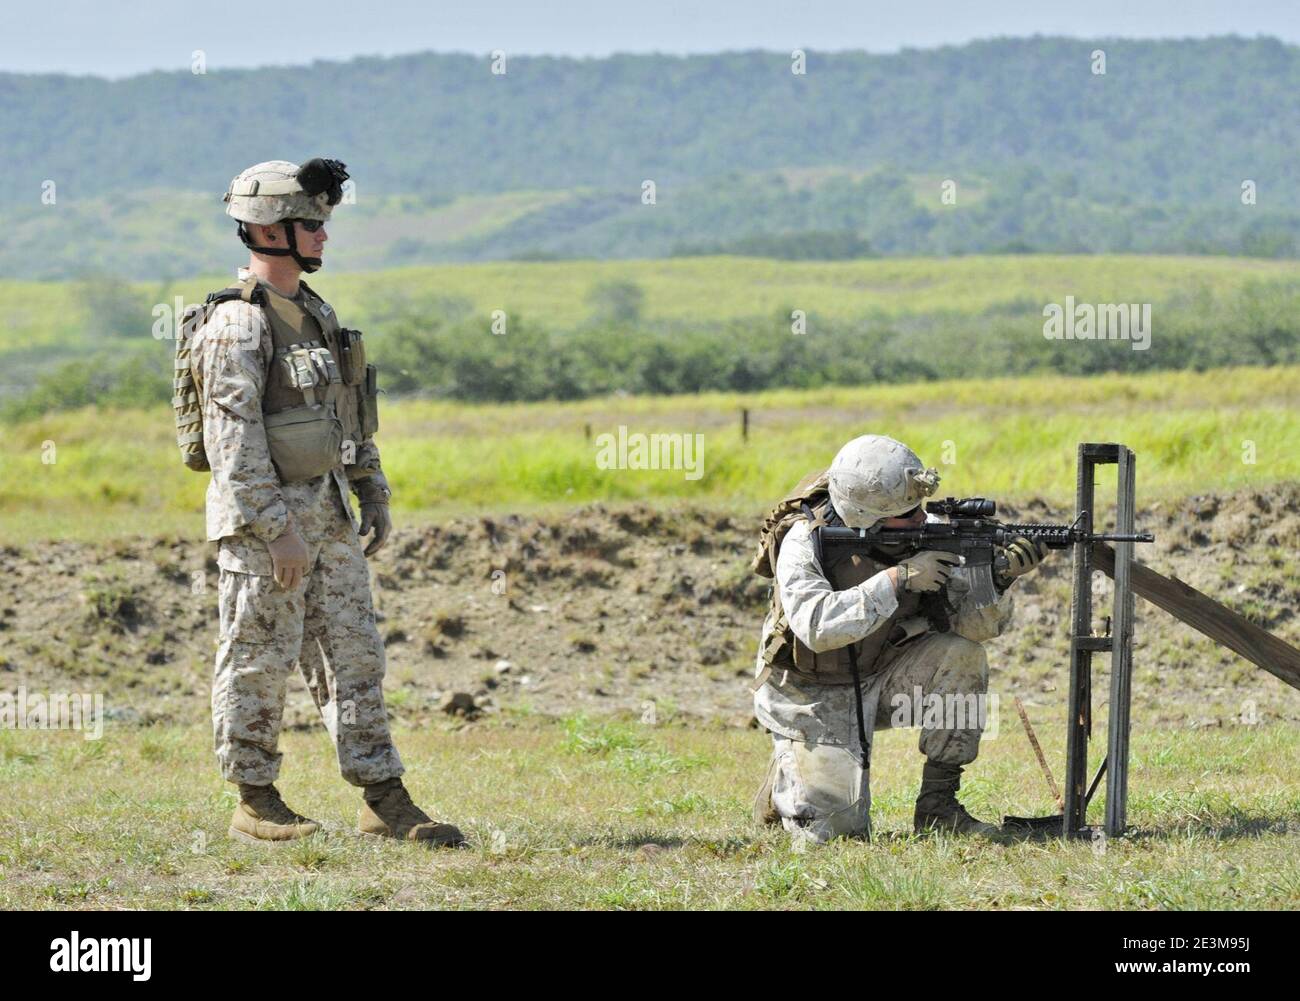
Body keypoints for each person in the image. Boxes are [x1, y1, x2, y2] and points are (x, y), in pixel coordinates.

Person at [186, 158, 463, 846]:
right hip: (265, 527)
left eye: (323, 222)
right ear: (269, 230)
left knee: (355, 655)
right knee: (258, 657)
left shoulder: (314, 315)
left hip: (329, 513)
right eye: (311, 222)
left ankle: (383, 796)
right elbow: (233, 440)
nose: (324, 235)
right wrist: (275, 529)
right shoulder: (234, 325)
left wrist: (371, 485)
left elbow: (344, 411)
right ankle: (253, 799)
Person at [749, 434, 1050, 845]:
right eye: (907, 515)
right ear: (864, 519)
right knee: (836, 836)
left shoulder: (929, 533)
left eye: (920, 509)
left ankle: (939, 808)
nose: (920, 520)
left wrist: (995, 580)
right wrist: (899, 578)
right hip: (810, 696)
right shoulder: (805, 539)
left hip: (884, 674)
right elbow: (816, 626)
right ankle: (790, 770)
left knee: (962, 656)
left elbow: (976, 629)